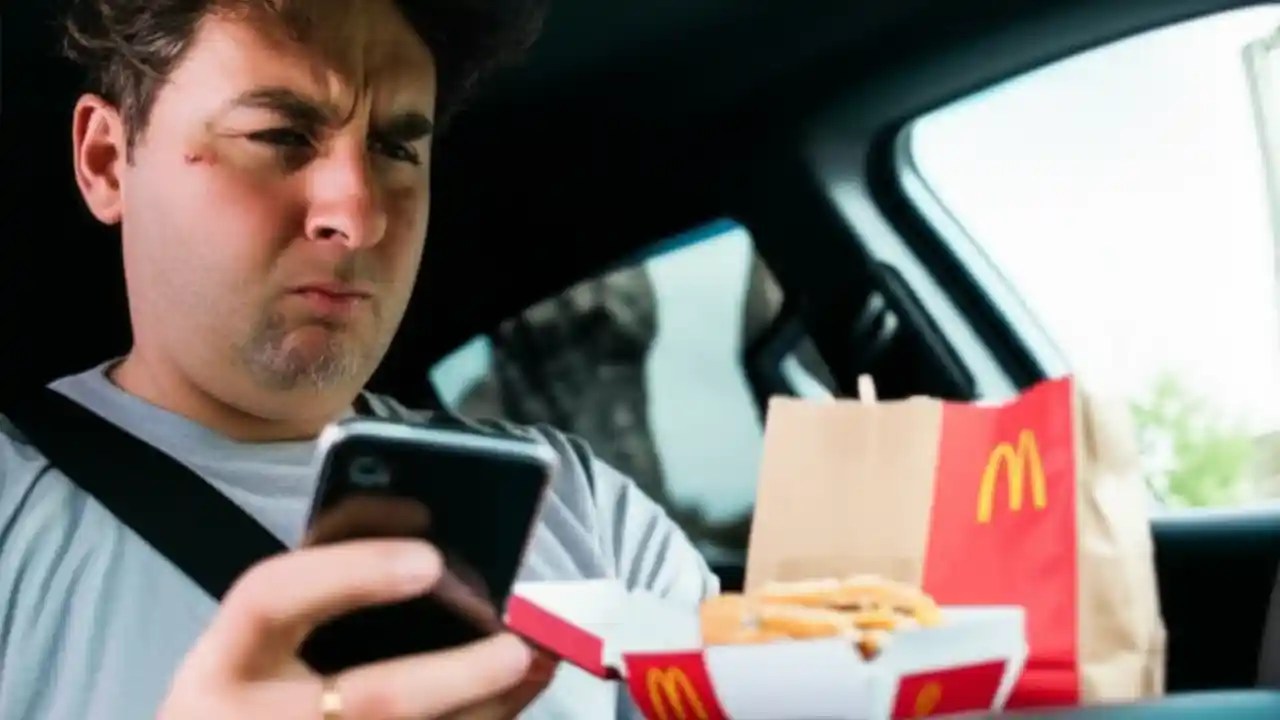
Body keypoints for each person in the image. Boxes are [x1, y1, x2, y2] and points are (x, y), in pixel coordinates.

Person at [0, 1, 719, 718]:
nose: (360, 214)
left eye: (397, 150)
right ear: (105, 162)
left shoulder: (583, 512)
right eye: (280, 134)